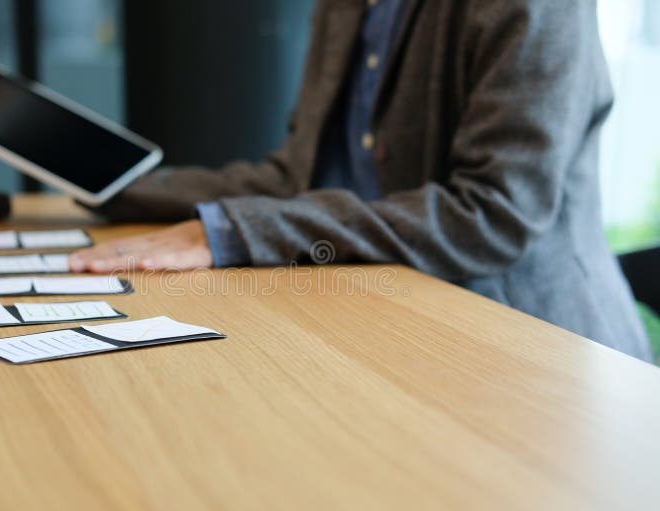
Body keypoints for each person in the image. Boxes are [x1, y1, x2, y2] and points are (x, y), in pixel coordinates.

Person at [69, 0, 653, 361]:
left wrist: (232, 230)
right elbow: (297, 173)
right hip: (388, 324)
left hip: (532, 352)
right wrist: (119, 188)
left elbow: (491, 215)